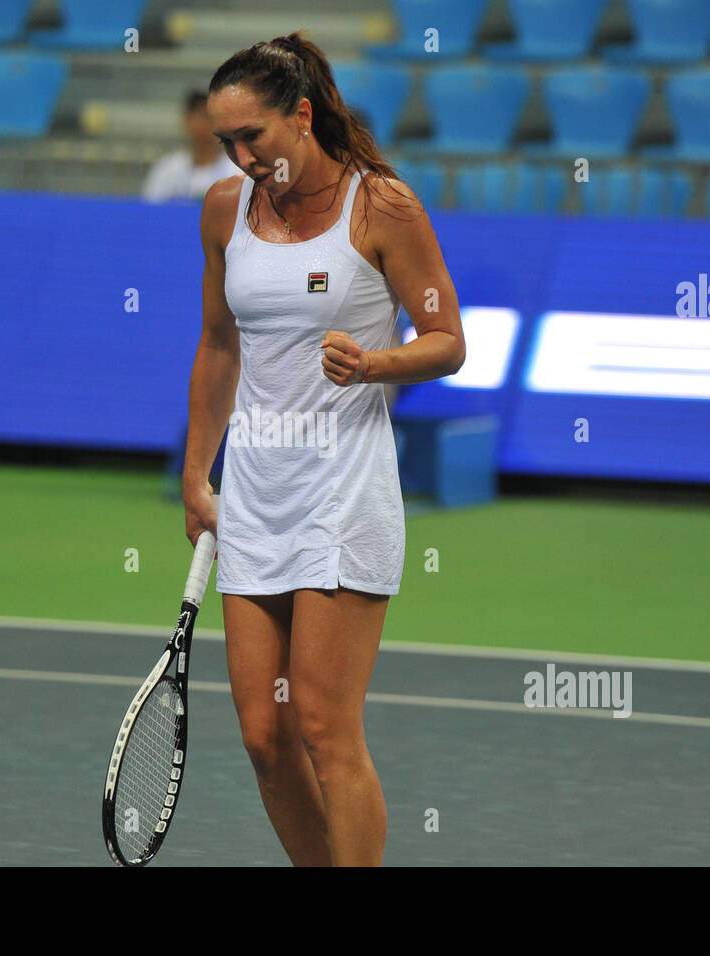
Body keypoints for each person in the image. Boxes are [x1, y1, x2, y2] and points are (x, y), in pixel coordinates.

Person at [181, 31, 465, 867]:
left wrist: (378, 362)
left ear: (301, 116)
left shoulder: (382, 207)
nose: (238, 156)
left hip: (344, 492)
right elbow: (217, 343)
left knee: (321, 727)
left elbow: (446, 339)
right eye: (225, 141)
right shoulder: (224, 210)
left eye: (253, 137)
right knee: (265, 739)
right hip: (256, 493)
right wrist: (199, 475)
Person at [141, 88, 241, 203]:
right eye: (201, 115)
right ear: (187, 119)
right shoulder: (167, 169)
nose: (205, 124)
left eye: (211, 116)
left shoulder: (236, 170)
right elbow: (150, 213)